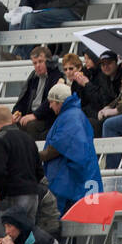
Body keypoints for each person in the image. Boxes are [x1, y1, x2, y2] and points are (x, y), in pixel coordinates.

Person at [41, 82, 102, 213]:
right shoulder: (72, 115)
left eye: (51, 102)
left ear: (59, 101)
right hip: (75, 179)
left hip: (73, 181)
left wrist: (33, 155)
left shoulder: (71, 117)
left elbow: (58, 147)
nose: (50, 106)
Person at [0, 107, 47, 222]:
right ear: (12, 119)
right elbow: (39, 170)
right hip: (32, 195)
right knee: (29, 235)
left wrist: (1, 194)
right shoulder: (28, 138)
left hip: (13, 195)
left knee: (11, 236)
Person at [13, 46, 63, 139]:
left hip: (48, 118)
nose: (37, 65)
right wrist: (16, 112)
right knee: (10, 126)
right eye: (35, 63)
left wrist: (35, 115)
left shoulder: (56, 75)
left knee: (31, 126)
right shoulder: (33, 77)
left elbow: (51, 101)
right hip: (32, 115)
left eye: (40, 61)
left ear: (48, 61)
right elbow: (23, 100)